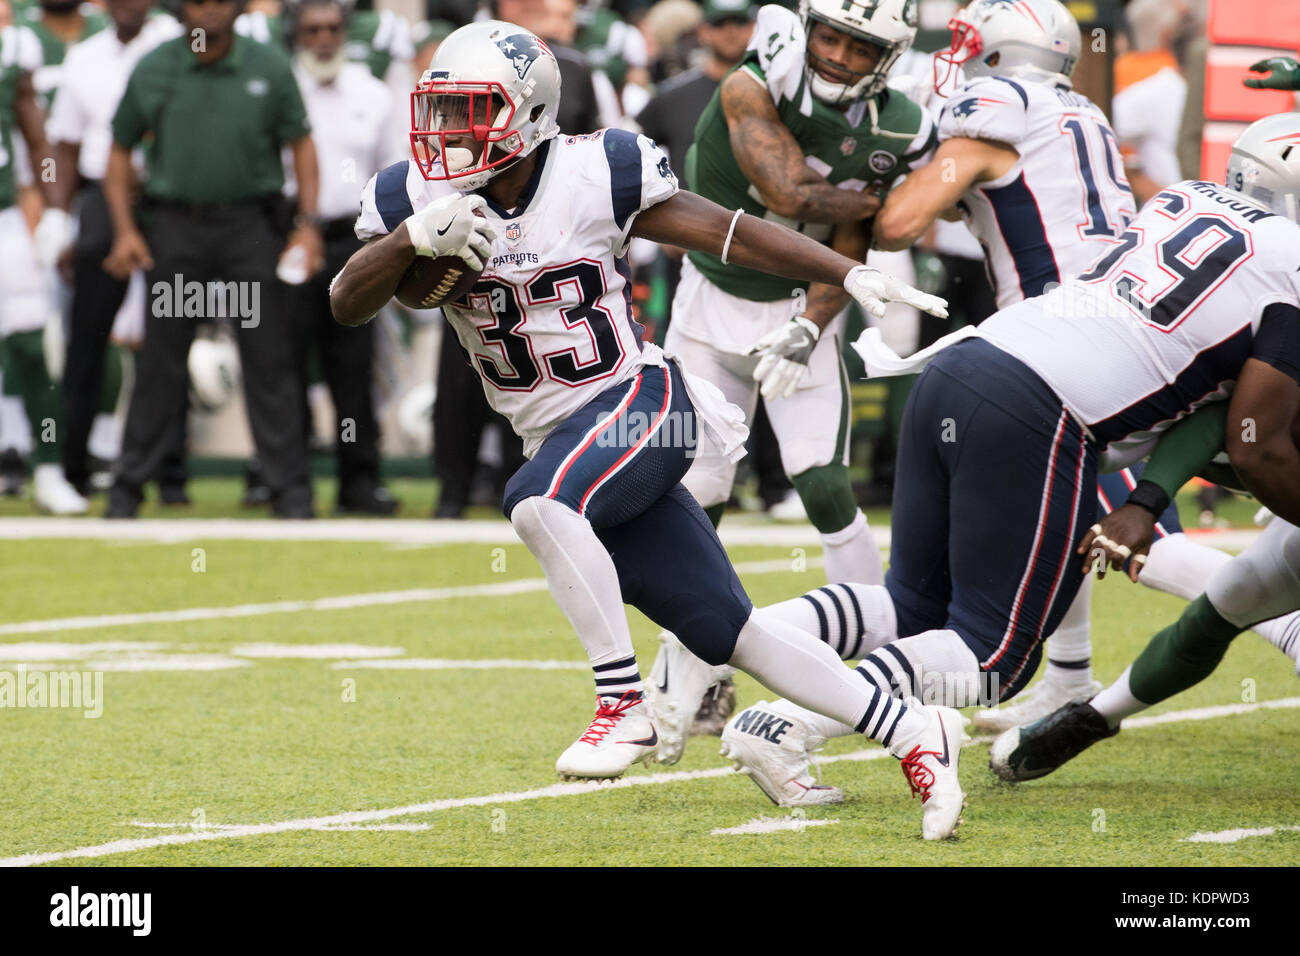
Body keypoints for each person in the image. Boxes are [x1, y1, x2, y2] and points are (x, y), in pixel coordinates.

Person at [329, 19, 971, 841]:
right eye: (441, 112)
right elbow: (349, 301)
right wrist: (413, 238)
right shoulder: (409, 196)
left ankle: (621, 705)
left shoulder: (597, 169)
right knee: (728, 631)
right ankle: (916, 730)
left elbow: (726, 230)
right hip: (566, 439)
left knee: (537, 505)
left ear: (527, 114)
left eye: (470, 112)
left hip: (644, 405)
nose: (448, 134)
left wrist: (845, 271)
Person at [727, 110, 1300, 807]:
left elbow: (1219, 410)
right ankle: (789, 720)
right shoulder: (1287, 261)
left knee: (912, 606)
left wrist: (1148, 499)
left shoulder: (1185, 197)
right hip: (1039, 409)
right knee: (994, 658)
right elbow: (1255, 441)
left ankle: (726, 642)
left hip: (967, 362)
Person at [644, 0, 935, 764]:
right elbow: (788, 197)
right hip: (706, 305)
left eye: (858, 43)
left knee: (823, 485)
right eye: (828, 34)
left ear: (892, 52)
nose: (837, 54)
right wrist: (878, 205)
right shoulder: (754, 83)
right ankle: (693, 676)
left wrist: (812, 323)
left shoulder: (898, 124)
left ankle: (883, 661)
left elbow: (847, 248)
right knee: (693, 499)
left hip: (800, 310)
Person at [103, 0, 322, 519]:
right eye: (200, 1)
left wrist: (307, 229)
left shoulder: (267, 65)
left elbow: (303, 145)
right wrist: (126, 230)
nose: (211, 12)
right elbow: (118, 150)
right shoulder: (155, 67)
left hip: (249, 228)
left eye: (222, 0)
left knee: (269, 360)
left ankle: (290, 492)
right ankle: (127, 488)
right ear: (183, 10)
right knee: (160, 363)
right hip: (177, 227)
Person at [48, 0, 182, 499]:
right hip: (102, 197)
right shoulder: (83, 56)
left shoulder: (175, 42)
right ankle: (74, 467)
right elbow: (65, 143)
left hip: (164, 194)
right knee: (87, 336)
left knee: (173, 329)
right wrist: (62, 220)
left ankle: (171, 472)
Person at [285, 0, 404, 514]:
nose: (324, 38)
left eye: (333, 28)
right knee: (282, 364)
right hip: (288, 237)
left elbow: (395, 172)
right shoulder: (279, 88)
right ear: (297, 34)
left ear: (346, 31)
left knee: (353, 367)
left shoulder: (373, 94)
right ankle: (286, 482)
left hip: (354, 240)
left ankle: (359, 481)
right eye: (313, 29)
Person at [0, 11, 87, 513]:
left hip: (5, 220)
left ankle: (49, 470)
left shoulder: (12, 50)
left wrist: (54, 208)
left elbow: (37, 138)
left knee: (33, 346)